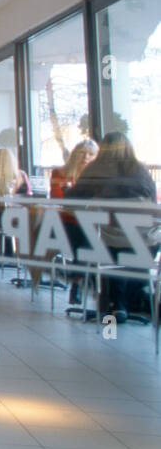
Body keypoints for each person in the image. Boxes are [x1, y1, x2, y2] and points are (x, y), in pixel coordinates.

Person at [65, 132, 158, 317]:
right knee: (124, 250)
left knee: (98, 241)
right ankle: (129, 301)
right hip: (145, 242)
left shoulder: (95, 171)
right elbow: (152, 204)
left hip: (107, 242)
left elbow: (71, 200)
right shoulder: (141, 172)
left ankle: (117, 303)